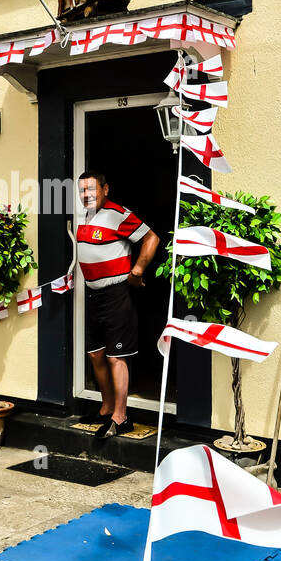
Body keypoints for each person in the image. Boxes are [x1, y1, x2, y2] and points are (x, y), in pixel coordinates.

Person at [76, 169, 160, 440]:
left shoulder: (118, 215)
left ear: (105, 189)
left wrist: (137, 271)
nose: (86, 195)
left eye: (91, 190)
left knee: (115, 357)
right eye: (82, 190)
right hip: (92, 296)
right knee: (95, 355)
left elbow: (151, 238)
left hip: (116, 295)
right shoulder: (82, 216)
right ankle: (106, 408)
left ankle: (121, 418)